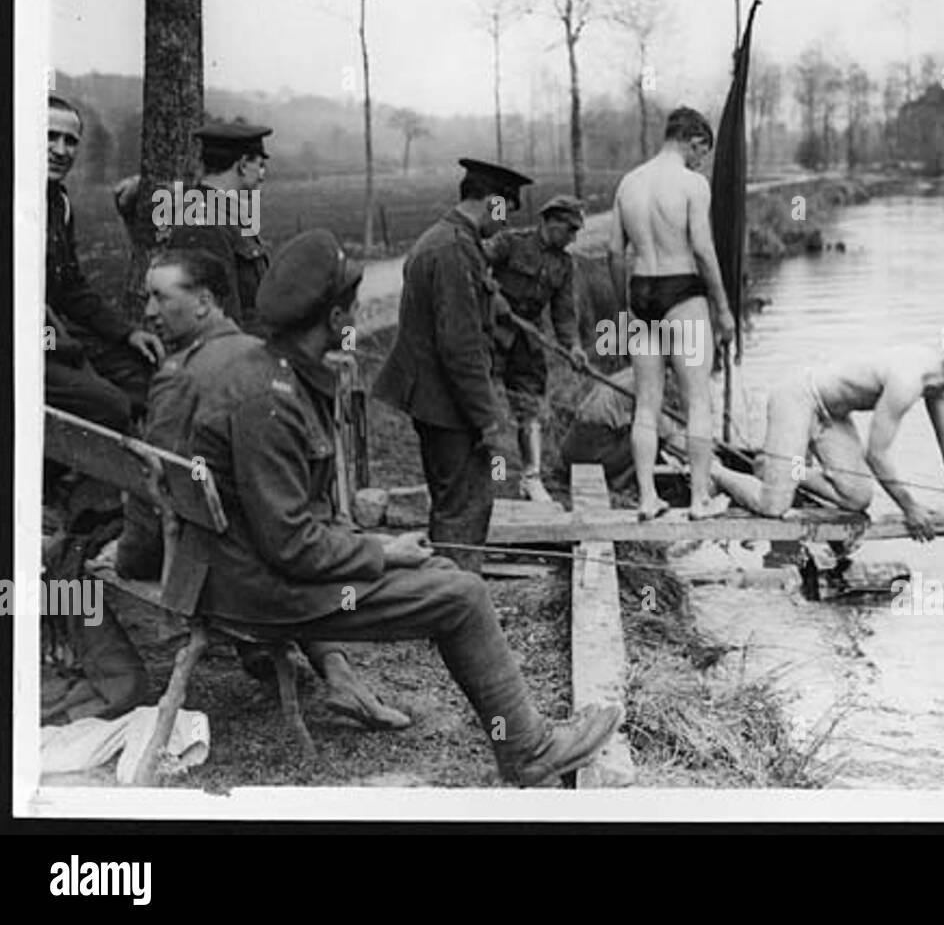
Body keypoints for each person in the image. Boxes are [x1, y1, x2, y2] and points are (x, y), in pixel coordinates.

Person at [181, 229, 623, 785]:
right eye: (351, 307)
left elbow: (297, 518)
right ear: (336, 316)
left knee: (441, 570)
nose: (357, 316)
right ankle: (529, 751)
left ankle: (527, 738)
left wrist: (384, 551)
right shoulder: (270, 400)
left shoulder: (276, 374)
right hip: (262, 591)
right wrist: (380, 552)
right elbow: (291, 542)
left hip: (251, 569)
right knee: (462, 595)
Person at [114, 247, 408, 730]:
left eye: (160, 298)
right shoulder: (261, 357)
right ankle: (339, 673)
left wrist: (127, 560)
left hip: (217, 568)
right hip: (270, 545)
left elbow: (154, 495)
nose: (149, 312)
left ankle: (328, 672)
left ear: (205, 302)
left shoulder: (178, 376)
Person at [373, 159, 531, 574]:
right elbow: (460, 347)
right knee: (463, 506)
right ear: (493, 202)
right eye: (507, 211)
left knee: (455, 502)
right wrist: (487, 419)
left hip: (438, 398)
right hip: (446, 403)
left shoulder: (451, 240)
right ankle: (456, 604)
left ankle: (451, 599)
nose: (507, 223)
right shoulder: (453, 249)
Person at [711, 335, 944, 541]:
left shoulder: (937, 380)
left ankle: (778, 468)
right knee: (772, 507)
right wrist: (909, 506)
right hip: (799, 396)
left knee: (857, 497)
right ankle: (715, 470)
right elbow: (876, 454)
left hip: (832, 415)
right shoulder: (908, 380)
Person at [609, 107, 735, 522]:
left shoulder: (629, 183)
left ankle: (648, 498)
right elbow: (702, 248)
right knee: (699, 400)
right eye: (703, 152)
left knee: (646, 403)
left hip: (642, 291)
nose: (702, 162)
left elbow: (613, 252)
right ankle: (699, 500)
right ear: (695, 140)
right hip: (682, 292)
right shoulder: (692, 184)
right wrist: (723, 308)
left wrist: (623, 308)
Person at [45, 94, 163, 431]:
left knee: (142, 372)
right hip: (29, 346)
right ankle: (55, 478)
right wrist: (67, 350)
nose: (60, 150)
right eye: (49, 136)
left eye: (70, 141)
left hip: (54, 336)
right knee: (110, 406)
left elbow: (71, 287)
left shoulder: (59, 203)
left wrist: (126, 333)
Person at [484, 194, 588, 503]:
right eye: (568, 229)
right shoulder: (510, 243)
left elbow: (564, 312)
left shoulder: (565, 264)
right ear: (548, 222)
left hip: (527, 341)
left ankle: (531, 478)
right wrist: (493, 295)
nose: (572, 237)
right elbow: (471, 263)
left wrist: (574, 346)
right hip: (491, 335)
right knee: (483, 407)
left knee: (530, 409)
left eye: (575, 231)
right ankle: (488, 476)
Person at [163, 120, 274, 332]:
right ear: (242, 165)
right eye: (260, 165)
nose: (263, 174)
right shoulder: (204, 223)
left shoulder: (225, 214)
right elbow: (219, 321)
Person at [559, 366, 685, 494]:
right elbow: (666, 432)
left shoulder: (637, 369)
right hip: (590, 449)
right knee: (649, 438)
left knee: (643, 430)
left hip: (572, 447)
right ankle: (620, 483)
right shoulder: (651, 382)